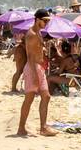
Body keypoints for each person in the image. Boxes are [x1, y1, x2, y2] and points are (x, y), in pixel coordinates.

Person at [17, 9, 56, 137]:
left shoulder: (38, 33)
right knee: (29, 99)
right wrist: (35, 75)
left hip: (38, 68)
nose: (46, 23)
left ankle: (43, 127)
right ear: (37, 19)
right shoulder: (32, 34)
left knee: (46, 96)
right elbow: (30, 57)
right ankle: (21, 128)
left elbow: (36, 52)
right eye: (44, 21)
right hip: (33, 68)